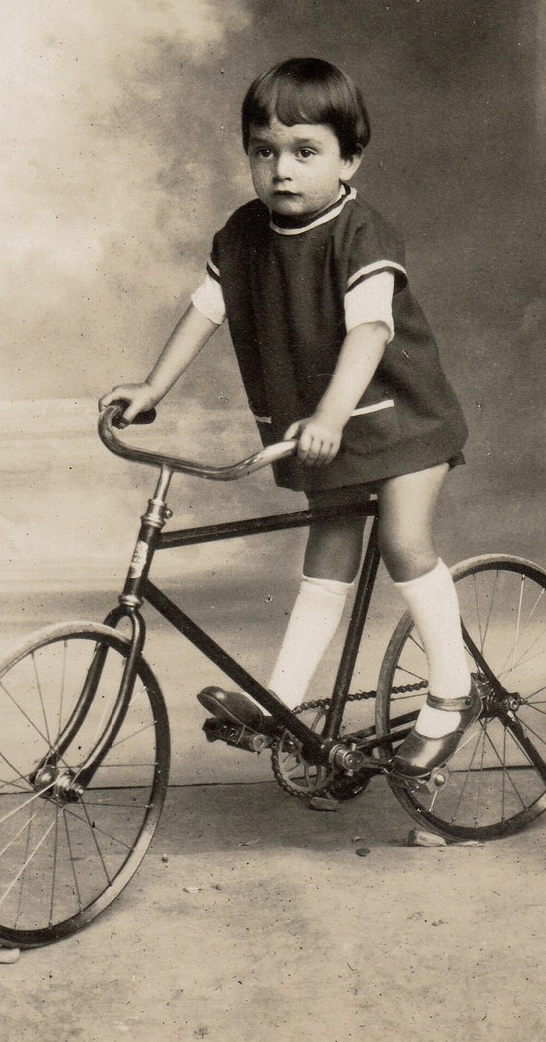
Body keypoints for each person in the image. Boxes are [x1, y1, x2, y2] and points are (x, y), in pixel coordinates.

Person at [99, 57, 479, 776]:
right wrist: (153, 387)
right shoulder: (244, 236)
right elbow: (206, 309)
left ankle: (454, 692)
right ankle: (282, 704)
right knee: (326, 557)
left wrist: (332, 412)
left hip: (400, 416)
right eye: (264, 151)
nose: (282, 170)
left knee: (402, 539)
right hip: (323, 428)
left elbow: (370, 332)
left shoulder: (360, 234)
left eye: (306, 152)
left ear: (349, 158)